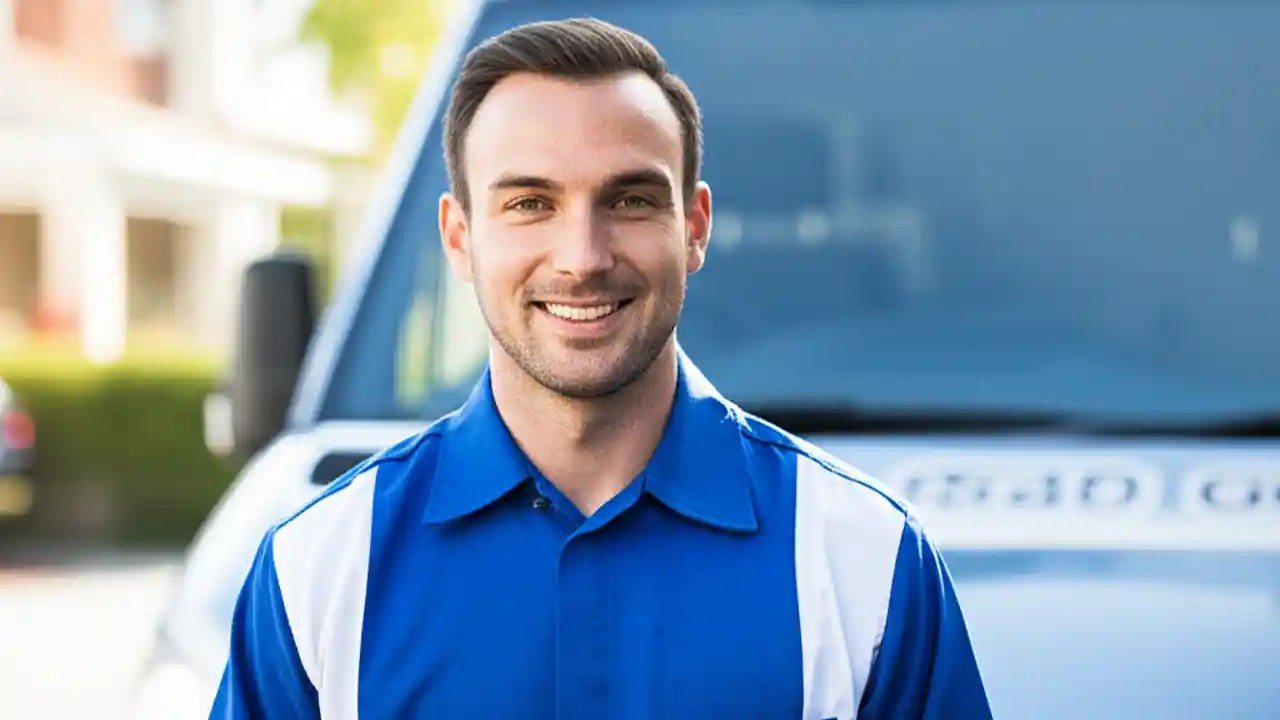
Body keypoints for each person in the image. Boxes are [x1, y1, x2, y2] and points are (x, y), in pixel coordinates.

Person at [211, 17, 991, 719]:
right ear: (459, 237)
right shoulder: (318, 568)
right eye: (530, 204)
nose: (583, 259)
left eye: (629, 201)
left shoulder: (864, 558)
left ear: (695, 227)